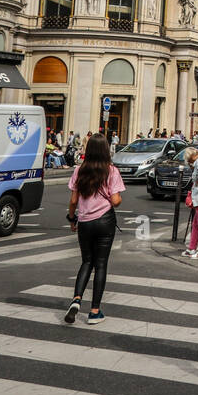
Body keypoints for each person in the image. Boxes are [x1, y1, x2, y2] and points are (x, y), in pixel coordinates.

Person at [65, 134, 124, 324]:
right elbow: (115, 201)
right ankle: (94, 311)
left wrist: (72, 219)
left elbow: (73, 201)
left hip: (85, 222)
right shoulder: (111, 171)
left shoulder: (79, 170)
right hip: (105, 221)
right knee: (100, 265)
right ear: (106, 150)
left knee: (86, 262)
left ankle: (76, 299)